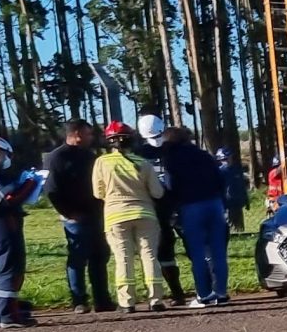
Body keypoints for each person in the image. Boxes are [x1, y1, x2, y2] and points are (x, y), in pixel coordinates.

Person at [41, 119, 114, 313]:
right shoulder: (56, 158)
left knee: (100, 256)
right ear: (76, 134)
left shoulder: (90, 156)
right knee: (78, 257)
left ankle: (102, 299)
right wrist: (68, 213)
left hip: (96, 213)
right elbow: (51, 189)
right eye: (87, 133)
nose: (91, 137)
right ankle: (79, 300)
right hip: (75, 217)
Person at [92, 122, 166, 311]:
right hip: (146, 215)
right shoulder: (144, 163)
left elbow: (98, 193)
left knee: (123, 258)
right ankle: (156, 300)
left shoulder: (102, 162)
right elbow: (158, 193)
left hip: (115, 216)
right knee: (150, 256)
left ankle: (127, 302)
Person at [159, 127, 230, 306]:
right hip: (214, 203)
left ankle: (204, 295)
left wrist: (172, 207)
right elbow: (220, 179)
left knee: (197, 253)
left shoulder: (171, 159)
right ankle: (221, 293)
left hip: (190, 206)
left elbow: (170, 185)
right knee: (217, 251)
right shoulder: (204, 155)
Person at [135, 115, 189, 305]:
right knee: (172, 250)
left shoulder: (140, 152)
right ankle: (188, 291)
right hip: (171, 206)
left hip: (163, 206)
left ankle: (180, 293)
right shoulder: (174, 148)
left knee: (166, 251)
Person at [0, 134, 38, 329]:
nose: (8, 158)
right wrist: (29, 184)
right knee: (10, 266)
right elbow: (4, 198)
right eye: (7, 153)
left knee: (3, 268)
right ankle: (9, 316)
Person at [217, 146, 249, 232]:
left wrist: (246, 200)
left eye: (228, 158)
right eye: (224, 159)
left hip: (237, 202)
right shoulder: (219, 172)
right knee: (230, 226)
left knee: (240, 226)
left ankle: (240, 234)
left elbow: (242, 186)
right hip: (227, 204)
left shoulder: (236, 170)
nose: (227, 161)